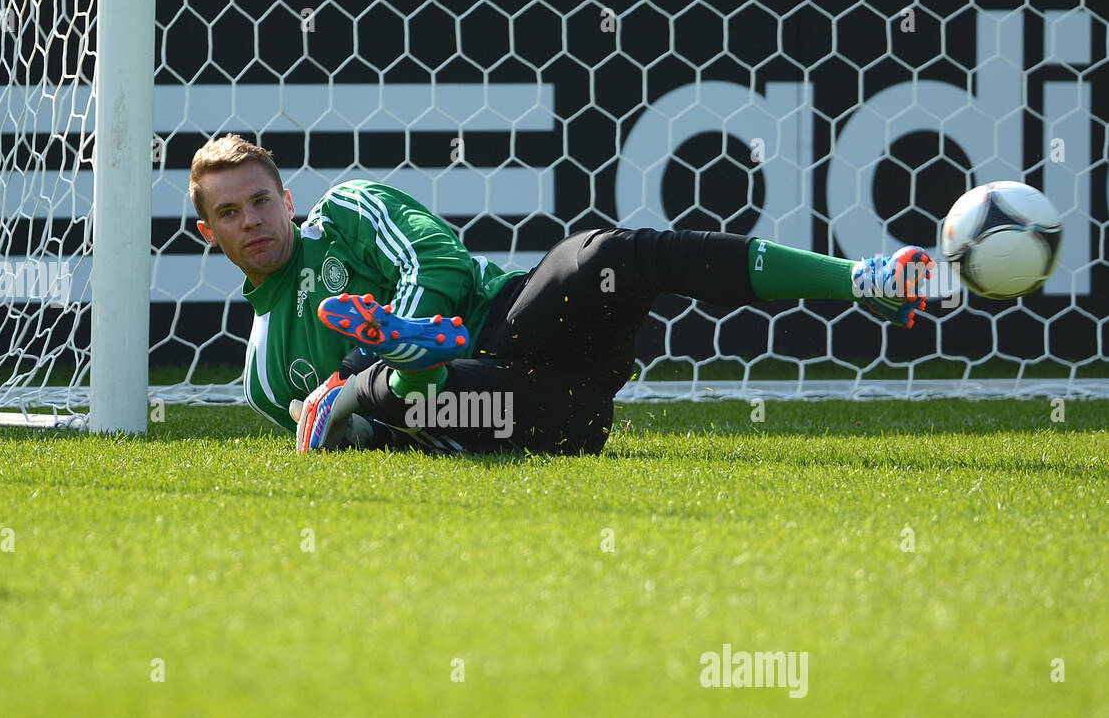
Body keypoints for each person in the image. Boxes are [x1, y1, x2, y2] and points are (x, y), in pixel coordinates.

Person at [190, 134, 931, 455]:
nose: (250, 221)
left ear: (288, 201)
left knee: (614, 254)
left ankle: (862, 279)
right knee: (394, 399)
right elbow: (363, 445)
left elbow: (441, 267)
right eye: (230, 213)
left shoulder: (349, 211)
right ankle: (404, 366)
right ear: (207, 232)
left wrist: (354, 373)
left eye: (260, 201)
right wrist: (341, 415)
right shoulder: (263, 373)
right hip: (520, 416)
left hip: (525, 327)